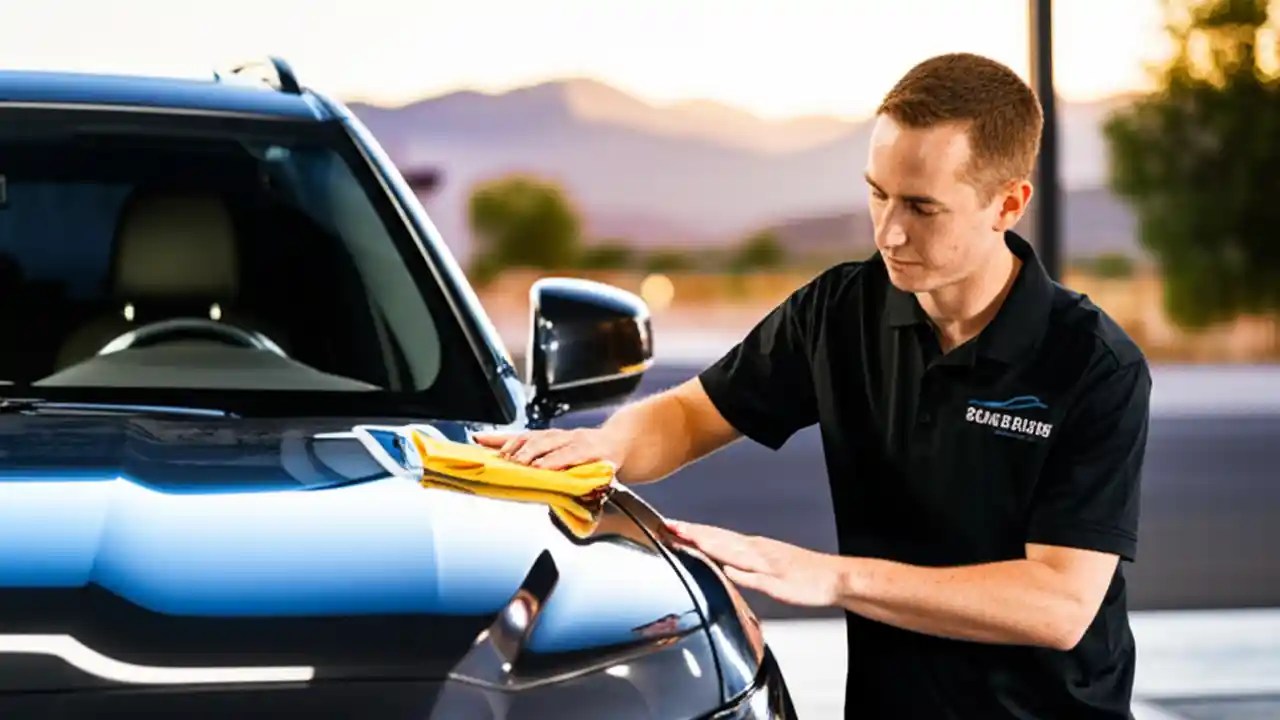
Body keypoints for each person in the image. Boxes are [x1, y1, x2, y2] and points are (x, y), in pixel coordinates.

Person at [475, 52, 1151, 719]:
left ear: (1008, 204)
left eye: (922, 207)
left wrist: (832, 576)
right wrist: (605, 446)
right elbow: (688, 417)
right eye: (878, 192)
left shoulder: (1093, 365)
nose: (888, 230)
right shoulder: (839, 311)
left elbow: (1058, 605)